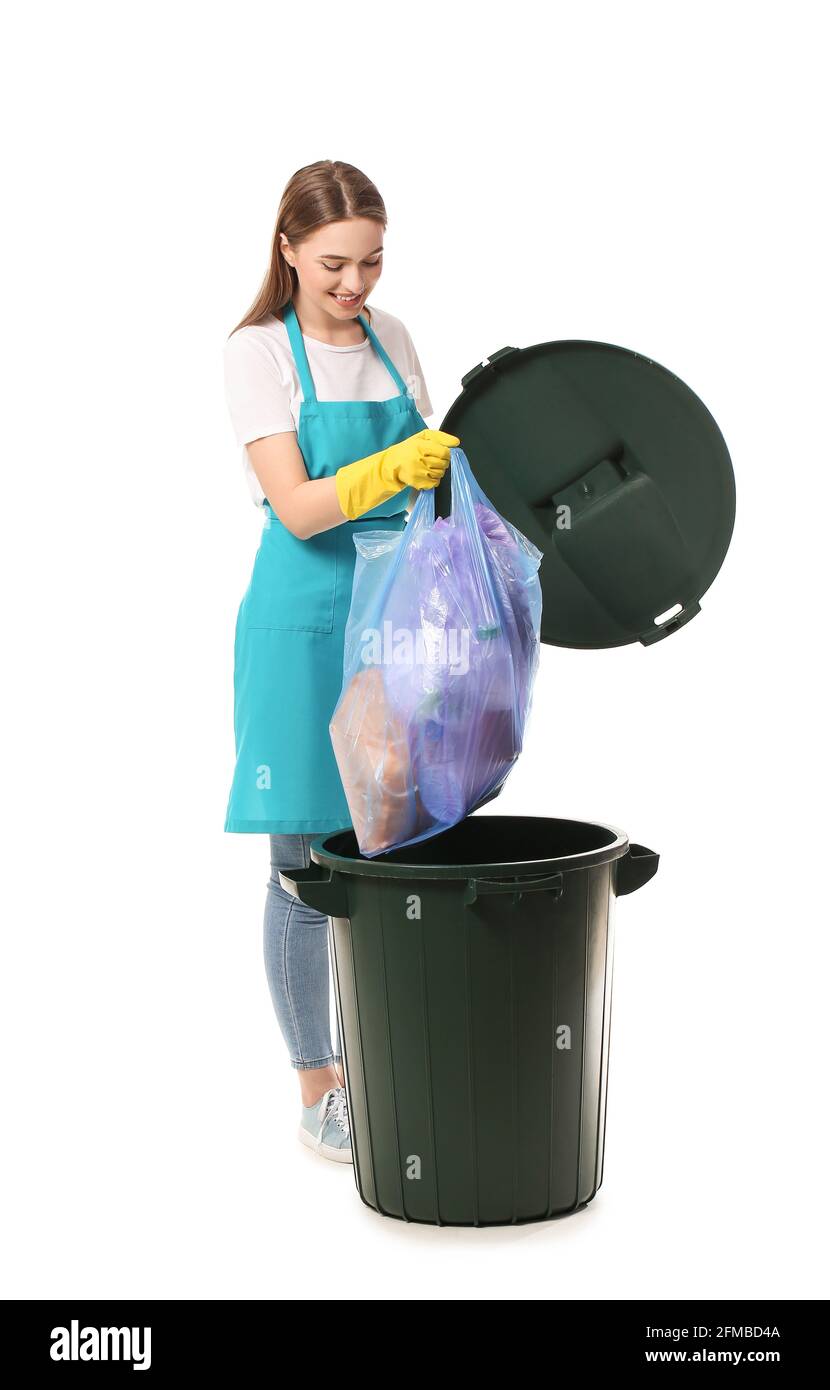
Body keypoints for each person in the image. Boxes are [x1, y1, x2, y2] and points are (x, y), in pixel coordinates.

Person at [222, 159, 459, 1163]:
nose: (354, 284)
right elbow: (298, 505)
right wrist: (392, 469)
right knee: (302, 865)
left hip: (393, 619)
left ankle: (395, 1059)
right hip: (302, 624)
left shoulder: (390, 338)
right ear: (287, 249)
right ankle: (321, 1087)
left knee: (393, 845)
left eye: (369, 262)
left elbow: (439, 476)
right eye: (331, 264)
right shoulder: (255, 350)